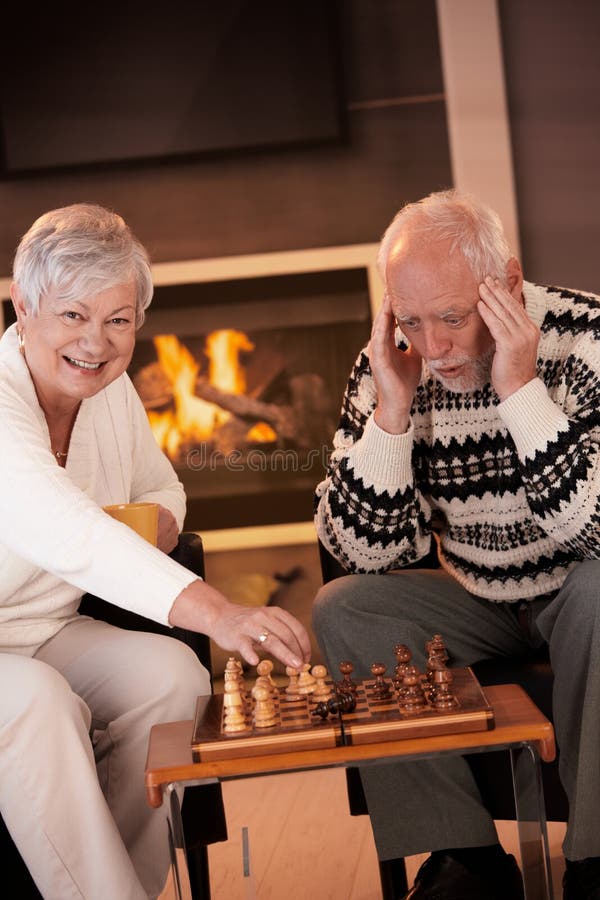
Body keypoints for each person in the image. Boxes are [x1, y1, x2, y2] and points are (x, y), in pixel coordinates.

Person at [0, 202, 311, 900]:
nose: (97, 342)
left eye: (118, 320)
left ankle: (121, 889)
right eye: (73, 315)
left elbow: (161, 486)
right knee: (37, 700)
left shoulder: (109, 393)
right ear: (24, 307)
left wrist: (156, 529)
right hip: (11, 658)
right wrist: (216, 612)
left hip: (43, 629)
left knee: (171, 674)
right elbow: (60, 523)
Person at [312, 188, 600, 900]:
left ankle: (595, 860)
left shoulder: (587, 339)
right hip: (476, 595)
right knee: (347, 605)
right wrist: (391, 411)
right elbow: (365, 554)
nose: (432, 348)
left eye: (451, 318)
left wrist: (521, 390)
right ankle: (464, 858)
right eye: (409, 320)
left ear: (505, 285)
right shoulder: (393, 363)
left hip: (579, 587)